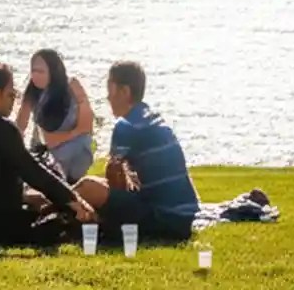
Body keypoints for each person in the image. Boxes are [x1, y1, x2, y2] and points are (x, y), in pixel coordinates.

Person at [0, 62, 95, 245]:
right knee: (65, 217)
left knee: (40, 205)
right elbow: (33, 173)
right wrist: (72, 200)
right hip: (1, 228)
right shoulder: (3, 129)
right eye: (11, 94)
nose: (14, 99)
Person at [74, 61, 200, 242]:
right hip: (184, 217)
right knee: (93, 186)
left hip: (164, 218)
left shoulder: (126, 125)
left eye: (110, 90)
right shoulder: (150, 116)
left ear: (124, 92)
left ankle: (47, 208)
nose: (107, 98)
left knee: (88, 186)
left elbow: (113, 178)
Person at [14, 49, 94, 182]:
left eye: (41, 71)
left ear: (53, 71)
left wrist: (66, 136)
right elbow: (22, 126)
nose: (35, 75)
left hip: (76, 151)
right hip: (46, 152)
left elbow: (87, 126)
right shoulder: (32, 92)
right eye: (33, 70)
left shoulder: (72, 86)